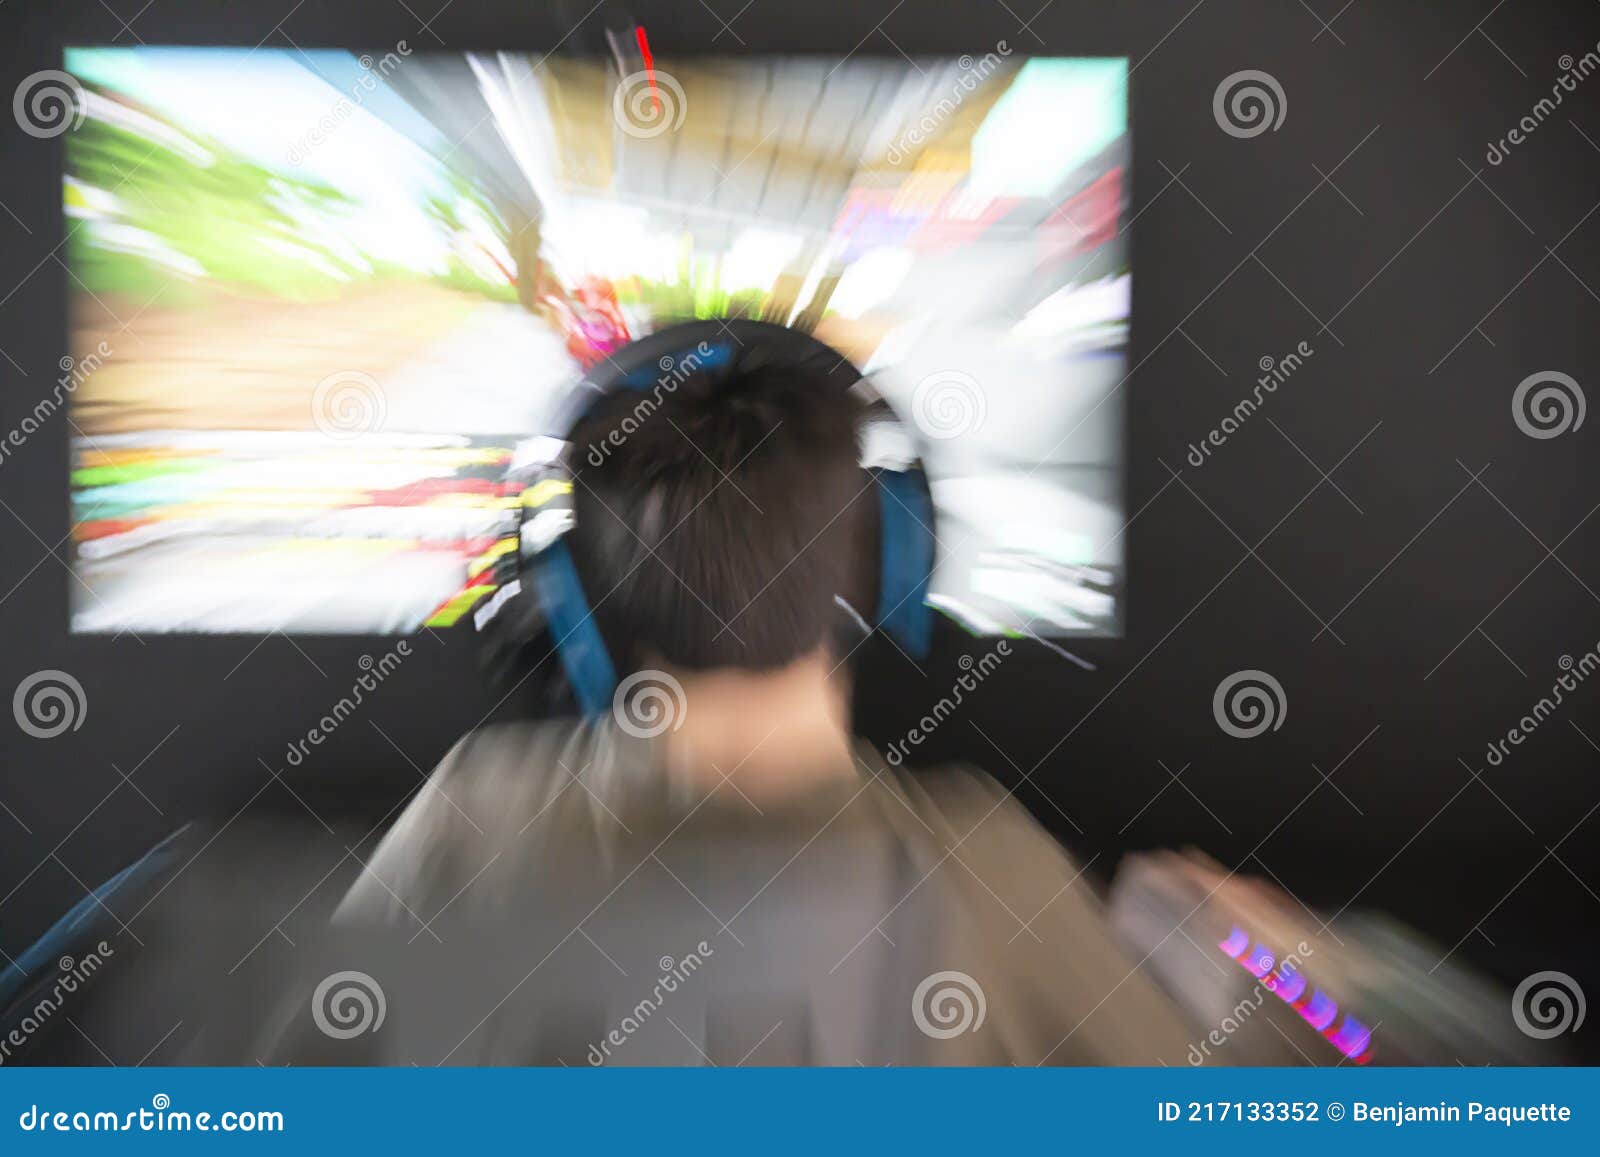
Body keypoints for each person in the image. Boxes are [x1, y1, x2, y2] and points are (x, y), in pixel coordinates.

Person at [334, 339, 1199, 1066]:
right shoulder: (988, 868)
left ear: (574, 605)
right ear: (894, 570)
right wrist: (1272, 984)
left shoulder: (473, 821)